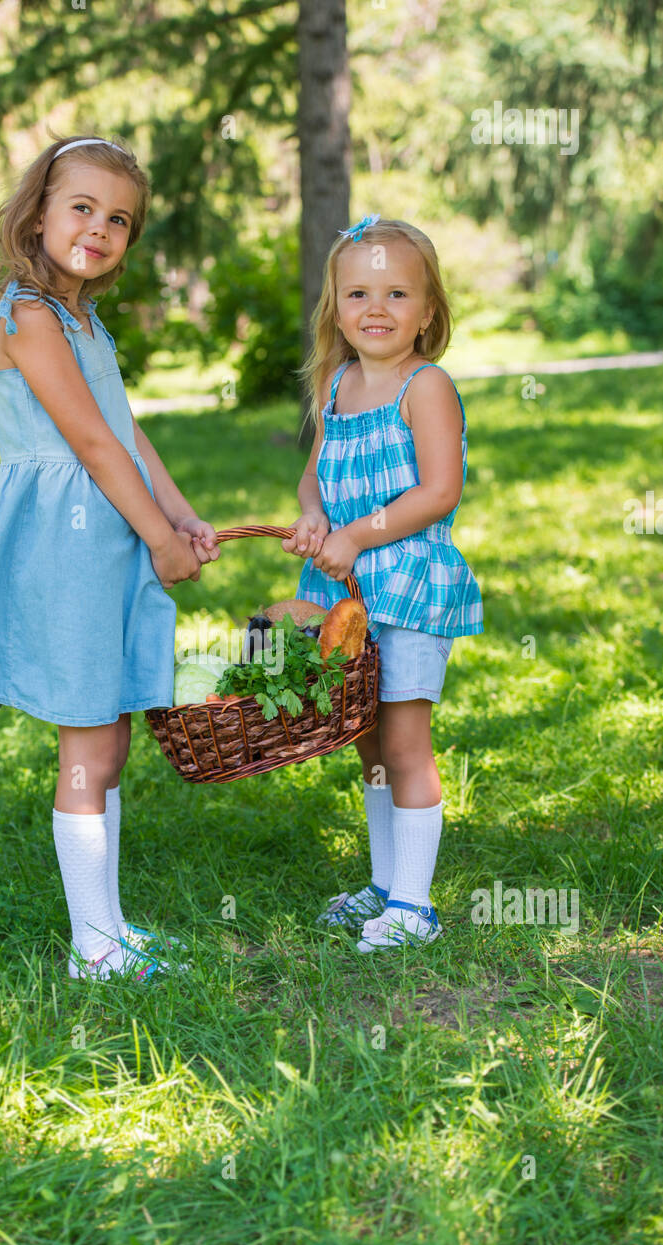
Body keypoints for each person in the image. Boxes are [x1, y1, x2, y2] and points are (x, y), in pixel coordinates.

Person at [0, 135, 220, 980]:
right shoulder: (28, 315)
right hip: (68, 548)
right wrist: (158, 539)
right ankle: (92, 949)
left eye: (120, 220)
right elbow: (95, 447)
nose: (99, 229)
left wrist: (181, 515)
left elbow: (128, 431)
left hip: (109, 538)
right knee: (87, 743)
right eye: (82, 207)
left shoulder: (81, 319)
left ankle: (107, 929)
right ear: (37, 212)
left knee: (108, 741)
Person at [283, 214, 483, 948]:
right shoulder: (336, 385)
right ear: (335, 306)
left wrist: (354, 534)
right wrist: (311, 519)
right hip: (345, 595)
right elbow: (313, 480)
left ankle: (414, 907)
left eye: (397, 294)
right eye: (358, 293)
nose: (376, 309)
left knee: (403, 744)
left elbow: (438, 492)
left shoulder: (423, 386)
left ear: (427, 313)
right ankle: (383, 882)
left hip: (406, 585)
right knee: (364, 741)